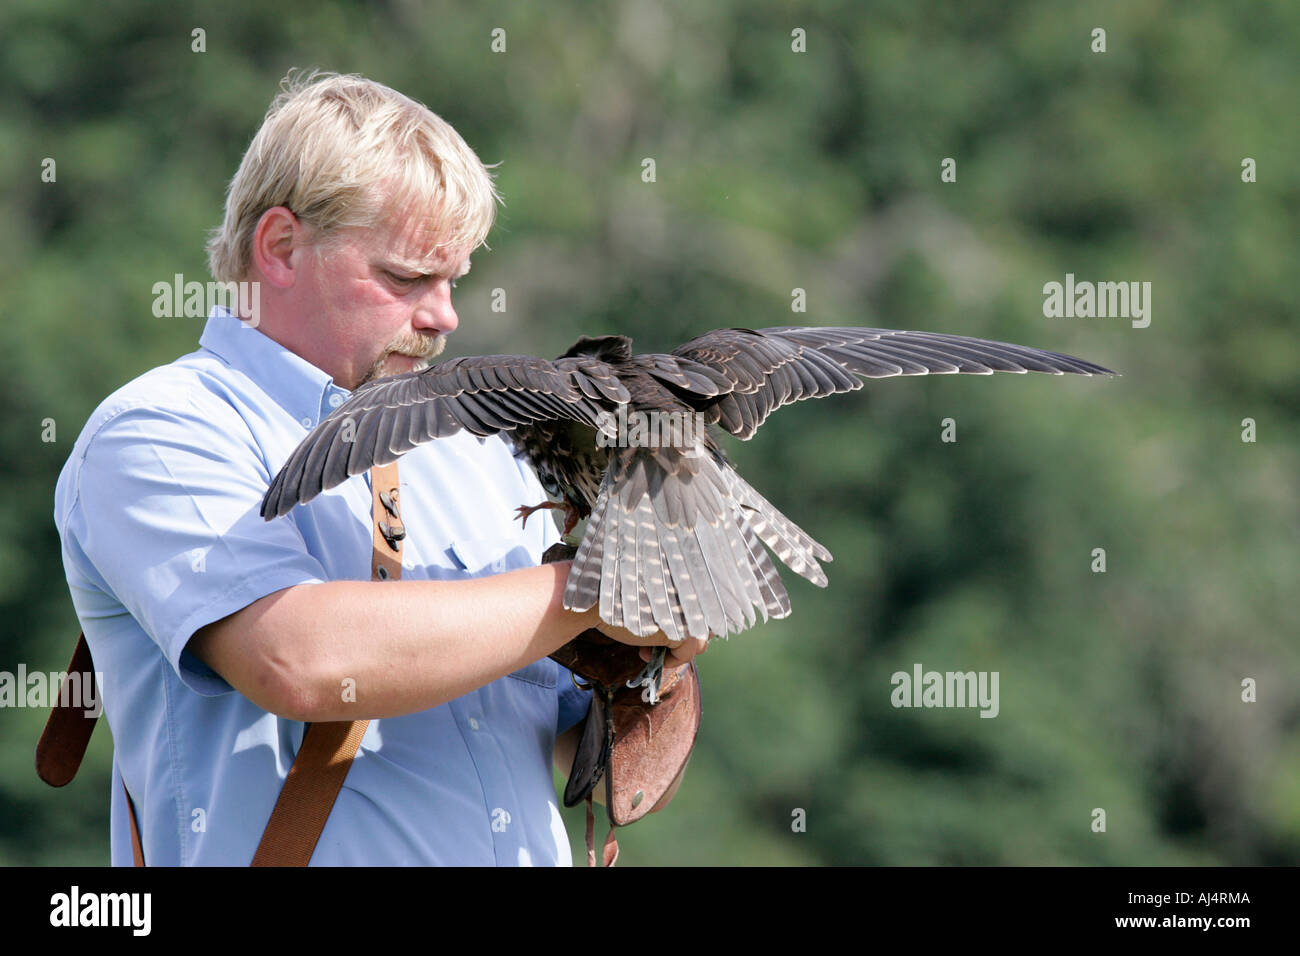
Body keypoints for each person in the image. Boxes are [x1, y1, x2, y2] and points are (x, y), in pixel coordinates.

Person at [52, 70, 705, 866]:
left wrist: (654, 665)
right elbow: (298, 660)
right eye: (405, 277)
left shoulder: (489, 457)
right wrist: (593, 588)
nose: (444, 314)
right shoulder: (160, 432)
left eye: (452, 279)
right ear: (282, 248)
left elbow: (603, 780)